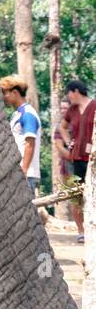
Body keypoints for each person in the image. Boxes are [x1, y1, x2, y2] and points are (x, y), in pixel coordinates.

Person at [61, 79, 93, 241]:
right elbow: (63, 128)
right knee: (78, 195)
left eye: (68, 93)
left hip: (92, 159)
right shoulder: (72, 110)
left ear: (75, 91)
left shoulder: (94, 106)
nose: (68, 97)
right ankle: (81, 231)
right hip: (77, 158)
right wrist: (68, 142)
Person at [0, 75, 42, 196]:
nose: (3, 97)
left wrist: (24, 169)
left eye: (5, 93)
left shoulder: (27, 114)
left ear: (15, 92)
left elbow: (30, 144)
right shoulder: (16, 115)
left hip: (27, 174)